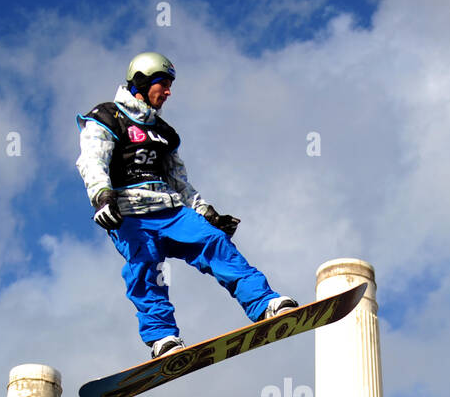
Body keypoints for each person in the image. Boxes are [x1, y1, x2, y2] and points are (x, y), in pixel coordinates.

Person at [76, 52, 296, 358]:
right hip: (130, 213)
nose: (168, 92)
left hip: (170, 209)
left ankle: (264, 304)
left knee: (214, 241)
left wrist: (208, 213)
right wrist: (101, 195)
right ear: (141, 81)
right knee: (146, 266)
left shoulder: (164, 133)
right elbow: (92, 158)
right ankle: (163, 338)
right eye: (162, 84)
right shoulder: (108, 116)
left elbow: (180, 181)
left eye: (169, 86)